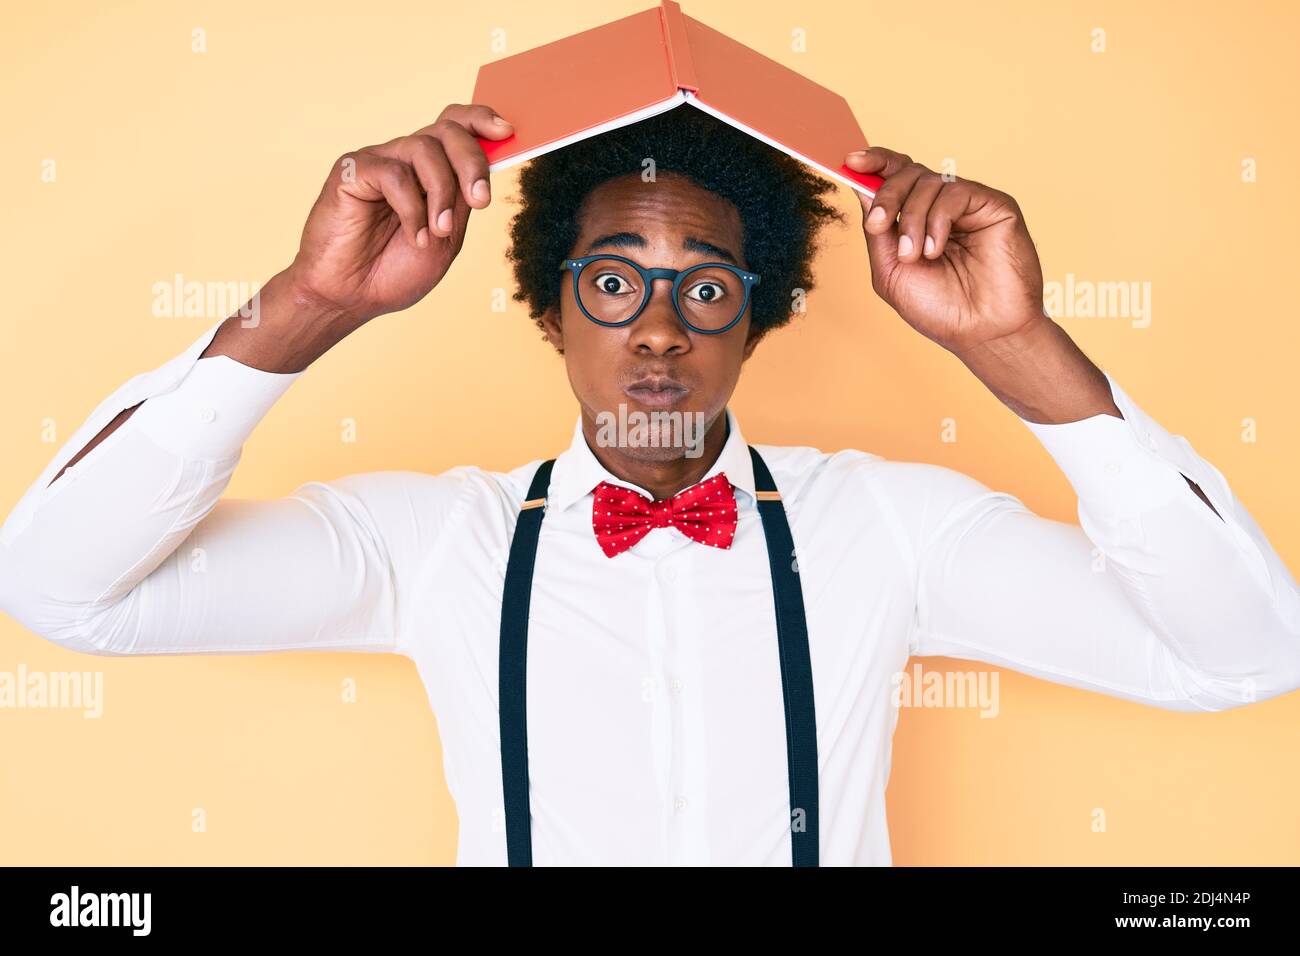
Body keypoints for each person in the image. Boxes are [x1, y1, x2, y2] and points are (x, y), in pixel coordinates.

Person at [1, 103, 1297, 867]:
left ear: (761, 316)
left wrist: (1009, 344)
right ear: (552, 309)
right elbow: (64, 590)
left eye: (706, 288)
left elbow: (1242, 657)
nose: (660, 330)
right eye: (615, 281)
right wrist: (307, 307)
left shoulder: (889, 527)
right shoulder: (433, 543)